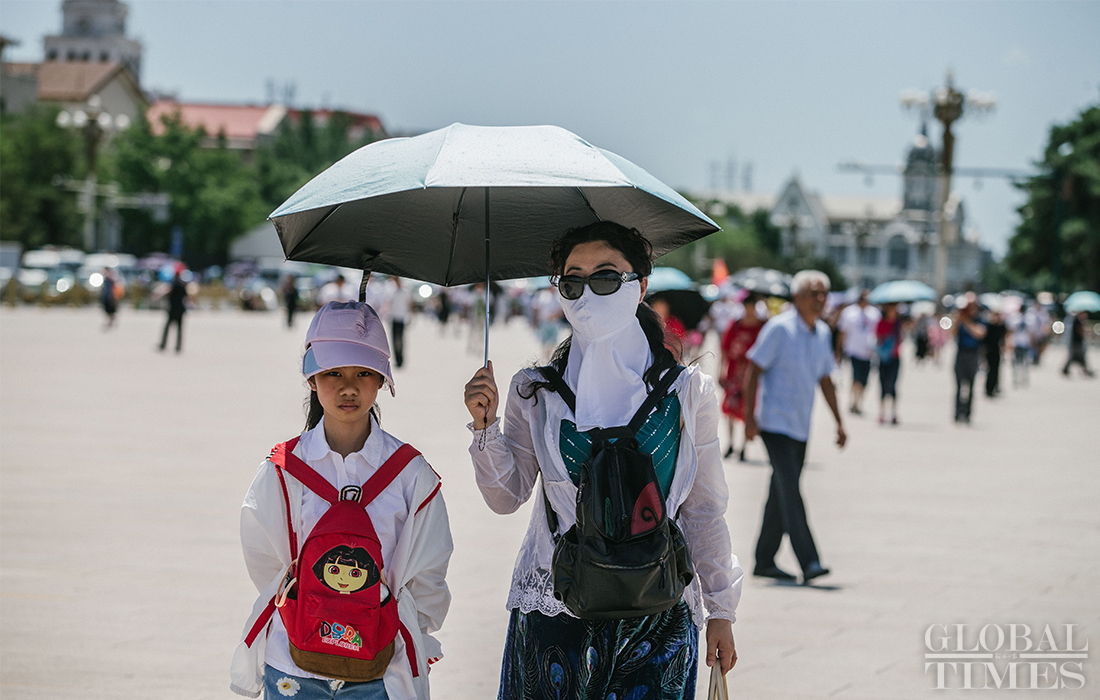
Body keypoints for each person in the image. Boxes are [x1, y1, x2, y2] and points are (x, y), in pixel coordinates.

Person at [462, 221, 741, 699]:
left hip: (659, 615)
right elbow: (507, 497)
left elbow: (703, 509)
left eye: (606, 277)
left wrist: (721, 610)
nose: (587, 293)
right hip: (556, 611)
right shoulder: (535, 391)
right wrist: (484, 427)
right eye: (572, 281)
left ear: (641, 287)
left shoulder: (688, 392)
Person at [230, 301, 453, 700]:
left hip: (381, 669)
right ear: (311, 378)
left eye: (364, 373)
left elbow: (429, 568)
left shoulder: (411, 474)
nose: (349, 387)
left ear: (382, 380)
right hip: (292, 664)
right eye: (333, 372)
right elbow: (263, 556)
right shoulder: (282, 469)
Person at [743, 270, 846, 584]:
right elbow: (754, 370)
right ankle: (810, 561)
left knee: (780, 491)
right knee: (791, 490)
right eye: (813, 293)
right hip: (774, 423)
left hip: (800, 424)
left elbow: (826, 380)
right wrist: (749, 417)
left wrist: (839, 422)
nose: (820, 299)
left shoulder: (823, 334)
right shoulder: (779, 329)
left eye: (824, 293)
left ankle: (764, 559)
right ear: (797, 297)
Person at [719, 293, 764, 460]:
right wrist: (721, 371)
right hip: (734, 373)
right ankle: (730, 443)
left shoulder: (763, 327)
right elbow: (724, 349)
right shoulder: (735, 325)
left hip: (752, 375)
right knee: (729, 409)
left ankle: (744, 446)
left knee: (748, 409)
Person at [836, 290, 880, 416]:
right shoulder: (850, 312)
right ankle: (853, 401)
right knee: (856, 377)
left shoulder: (874, 313)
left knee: (864, 380)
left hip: (868, 352)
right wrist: (839, 349)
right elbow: (843, 332)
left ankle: (859, 402)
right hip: (853, 350)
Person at [952, 293, 987, 424]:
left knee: (971, 386)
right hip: (960, 354)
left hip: (973, 354)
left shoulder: (979, 319)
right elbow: (951, 333)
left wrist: (966, 322)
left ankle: (967, 414)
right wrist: (957, 320)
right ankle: (957, 412)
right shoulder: (960, 318)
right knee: (958, 386)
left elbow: (980, 333)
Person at [875, 303, 905, 425]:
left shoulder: (898, 323)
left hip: (895, 357)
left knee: (892, 384)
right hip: (883, 357)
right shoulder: (881, 322)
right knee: (883, 384)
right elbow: (878, 337)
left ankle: (893, 412)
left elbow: (901, 338)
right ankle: (882, 412)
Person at [158, 269, 190, 353]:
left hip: (172, 309)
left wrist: (159, 296)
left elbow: (167, 293)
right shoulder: (182, 285)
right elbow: (186, 297)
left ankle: (163, 344)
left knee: (167, 328)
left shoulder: (173, 285)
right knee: (179, 329)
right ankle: (178, 346)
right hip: (180, 309)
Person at [388, 277, 412, 368]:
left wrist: (410, 315)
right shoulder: (391, 290)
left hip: (402, 317)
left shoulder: (405, 291)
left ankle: (401, 359)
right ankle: (397, 359)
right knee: (394, 339)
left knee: (400, 339)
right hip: (393, 317)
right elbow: (389, 303)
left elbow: (409, 304)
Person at [1062, 310, 1094, 377]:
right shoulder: (1077, 321)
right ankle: (1066, 369)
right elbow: (1080, 331)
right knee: (1077, 356)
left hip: (1076, 342)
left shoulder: (1076, 321)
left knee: (1076, 357)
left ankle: (1066, 369)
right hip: (1076, 342)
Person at [984, 309, 1007, 397]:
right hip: (990, 350)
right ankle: (989, 388)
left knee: (996, 370)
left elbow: (1003, 339)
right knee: (990, 370)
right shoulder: (990, 326)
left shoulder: (1001, 326)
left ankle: (995, 386)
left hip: (996, 351)